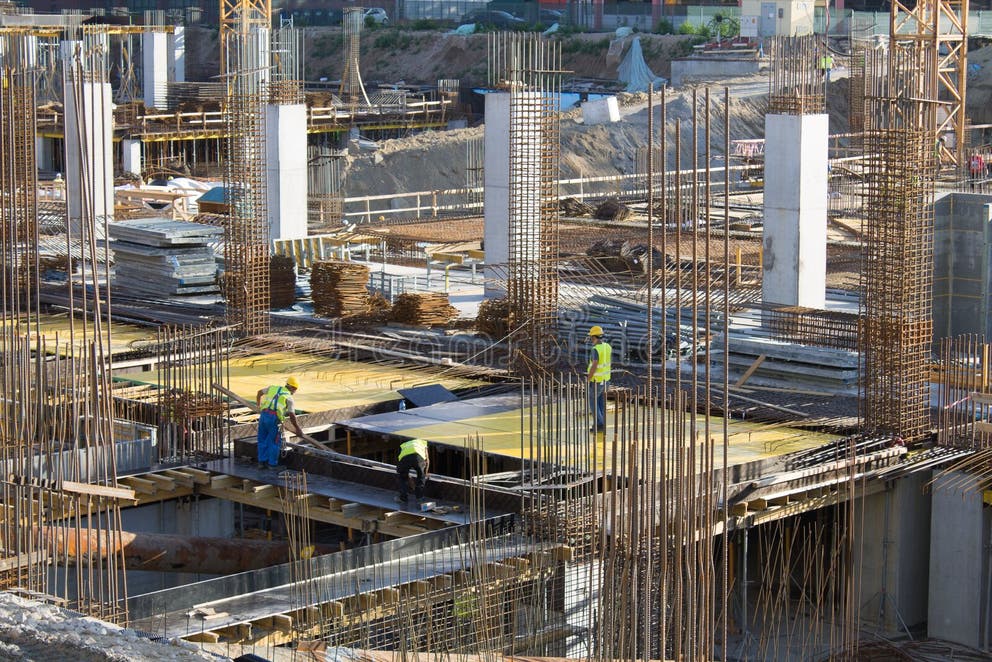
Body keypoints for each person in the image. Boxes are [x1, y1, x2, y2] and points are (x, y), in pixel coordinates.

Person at [255, 376, 306, 468]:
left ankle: (261, 463)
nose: (295, 392)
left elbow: (259, 393)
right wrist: (297, 428)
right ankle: (272, 465)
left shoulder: (272, 388)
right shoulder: (289, 398)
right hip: (274, 420)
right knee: (274, 442)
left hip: (263, 416)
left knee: (262, 439)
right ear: (293, 388)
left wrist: (258, 406)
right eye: (295, 390)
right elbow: (292, 415)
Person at [586, 326, 612, 433]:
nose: (590, 339)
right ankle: (599, 425)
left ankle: (601, 423)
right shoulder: (607, 346)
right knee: (600, 403)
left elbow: (595, 365)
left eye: (591, 337)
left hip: (596, 381)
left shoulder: (595, 349)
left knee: (593, 403)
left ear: (593, 337)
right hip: (606, 380)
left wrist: (589, 378)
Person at [395, 437, 429, 504]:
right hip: (418, 457)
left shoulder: (405, 444)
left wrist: (405, 475)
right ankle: (419, 498)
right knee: (421, 477)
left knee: (402, 478)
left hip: (405, 458)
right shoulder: (423, 442)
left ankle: (403, 498)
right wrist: (425, 473)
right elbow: (427, 459)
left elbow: (400, 461)